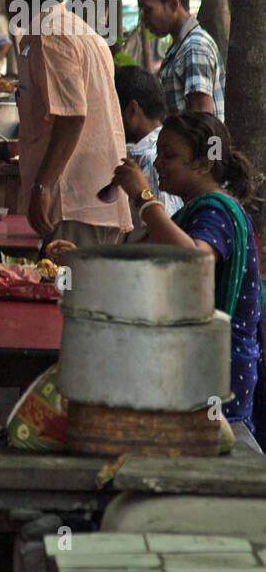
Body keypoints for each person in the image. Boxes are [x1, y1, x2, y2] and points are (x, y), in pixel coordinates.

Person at [101, 113, 263, 433]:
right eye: (159, 153)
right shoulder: (195, 210)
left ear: (203, 164)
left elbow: (194, 262)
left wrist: (143, 197)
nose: (158, 163)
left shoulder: (216, 209)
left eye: (170, 155)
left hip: (217, 372)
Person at [2, 0, 131, 244]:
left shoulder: (50, 35)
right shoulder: (82, 31)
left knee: (67, 287)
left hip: (74, 202)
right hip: (94, 200)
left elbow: (72, 117)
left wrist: (41, 188)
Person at [136, 0, 225, 121]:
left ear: (173, 4)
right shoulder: (180, 47)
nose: (144, 19)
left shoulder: (194, 47)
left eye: (148, 10)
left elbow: (202, 121)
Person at [114, 65, 181, 241]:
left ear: (132, 109)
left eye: (112, 111)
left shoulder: (151, 159)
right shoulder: (157, 150)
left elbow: (165, 228)